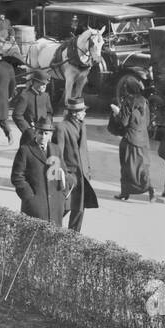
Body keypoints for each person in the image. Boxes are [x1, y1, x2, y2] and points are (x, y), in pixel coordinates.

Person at [10, 116, 73, 225]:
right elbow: (17, 177)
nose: (43, 136)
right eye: (40, 133)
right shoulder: (25, 150)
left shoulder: (56, 149)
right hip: (35, 206)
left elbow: (63, 172)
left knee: (54, 238)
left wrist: (63, 194)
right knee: (33, 237)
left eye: (46, 133)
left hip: (55, 206)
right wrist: (29, 197)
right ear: (35, 133)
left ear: (51, 135)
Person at [54, 97, 97, 232]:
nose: (85, 113)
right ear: (74, 113)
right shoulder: (62, 127)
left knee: (79, 209)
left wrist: (88, 170)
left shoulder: (82, 125)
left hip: (82, 176)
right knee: (64, 208)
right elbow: (57, 154)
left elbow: (84, 150)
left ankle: (73, 238)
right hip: (70, 175)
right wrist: (64, 174)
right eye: (82, 111)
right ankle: (49, 231)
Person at [108, 77, 154, 201]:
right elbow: (148, 121)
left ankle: (125, 192)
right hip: (143, 139)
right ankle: (149, 188)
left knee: (126, 166)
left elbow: (123, 122)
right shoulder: (144, 101)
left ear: (126, 89)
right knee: (142, 166)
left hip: (130, 139)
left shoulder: (128, 101)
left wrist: (116, 113)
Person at [12, 69, 53, 139]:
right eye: (43, 84)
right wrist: (27, 129)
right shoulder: (25, 96)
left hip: (43, 132)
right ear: (35, 82)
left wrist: (47, 124)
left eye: (46, 84)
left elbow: (49, 112)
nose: (45, 86)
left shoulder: (45, 96)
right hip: (30, 135)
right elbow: (17, 115)